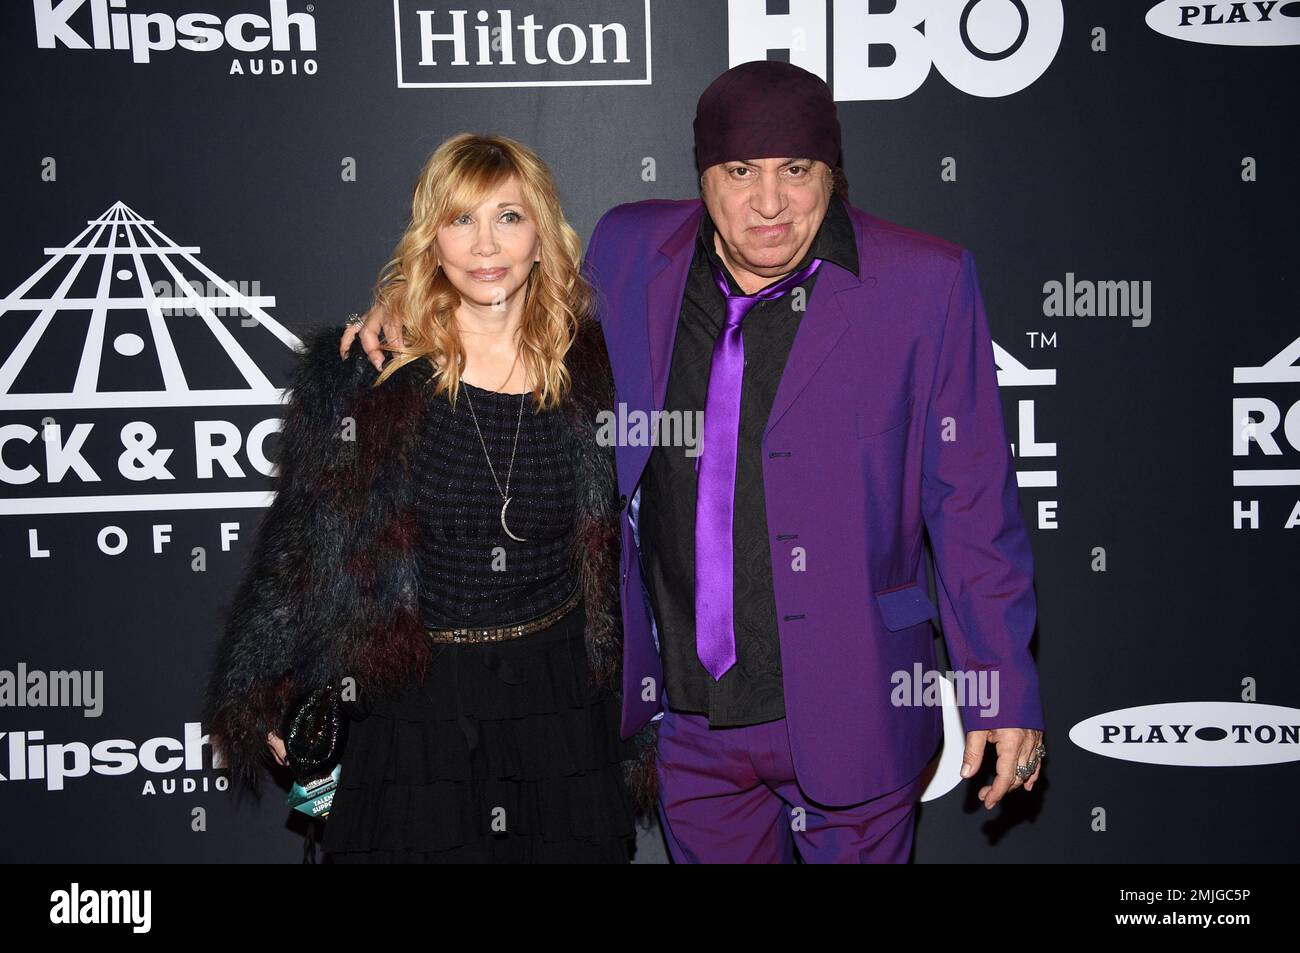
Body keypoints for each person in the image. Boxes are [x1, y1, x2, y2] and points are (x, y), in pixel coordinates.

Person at [345, 61, 1047, 864]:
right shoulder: (634, 247)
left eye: (797, 170)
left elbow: (972, 504)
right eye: (741, 172)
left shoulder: (927, 283)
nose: (770, 202)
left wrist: (1001, 686)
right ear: (704, 175)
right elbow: (508, 287)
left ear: (833, 172)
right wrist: (410, 299)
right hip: (688, 719)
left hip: (858, 700)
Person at [204, 132, 653, 863]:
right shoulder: (369, 378)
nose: (485, 245)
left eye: (508, 217)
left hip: (560, 701)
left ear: (542, 234)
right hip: (412, 702)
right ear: (431, 239)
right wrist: (268, 685)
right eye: (459, 219)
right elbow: (302, 547)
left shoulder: (602, 369)